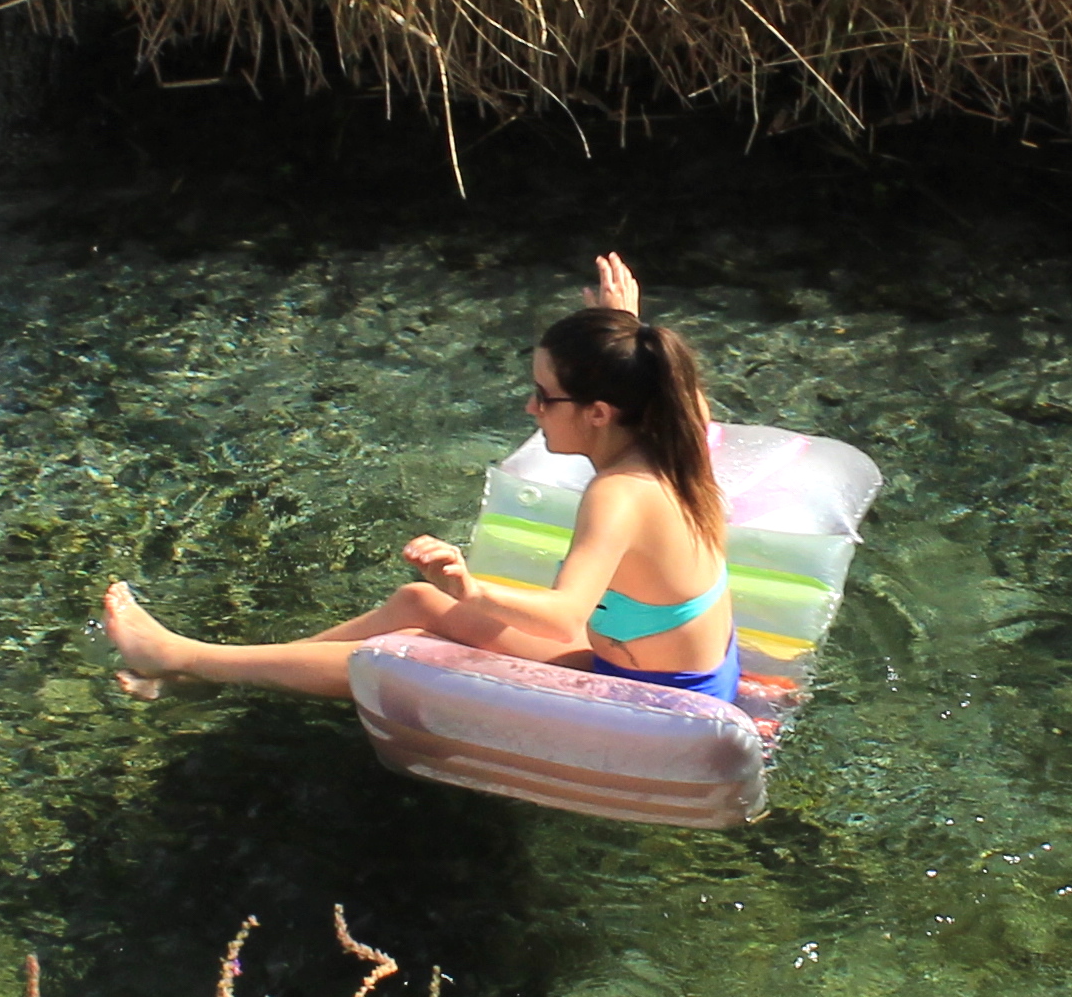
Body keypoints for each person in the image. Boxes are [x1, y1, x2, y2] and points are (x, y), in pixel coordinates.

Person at [100, 253, 738, 706]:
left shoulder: (619, 495)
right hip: (675, 664)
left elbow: (562, 614)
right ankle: (208, 673)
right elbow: (667, 383)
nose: (531, 408)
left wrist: (470, 586)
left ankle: (179, 657)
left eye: (545, 397)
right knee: (413, 603)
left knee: (403, 649)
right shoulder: (673, 432)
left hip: (653, 696)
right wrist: (622, 326)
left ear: (600, 413)